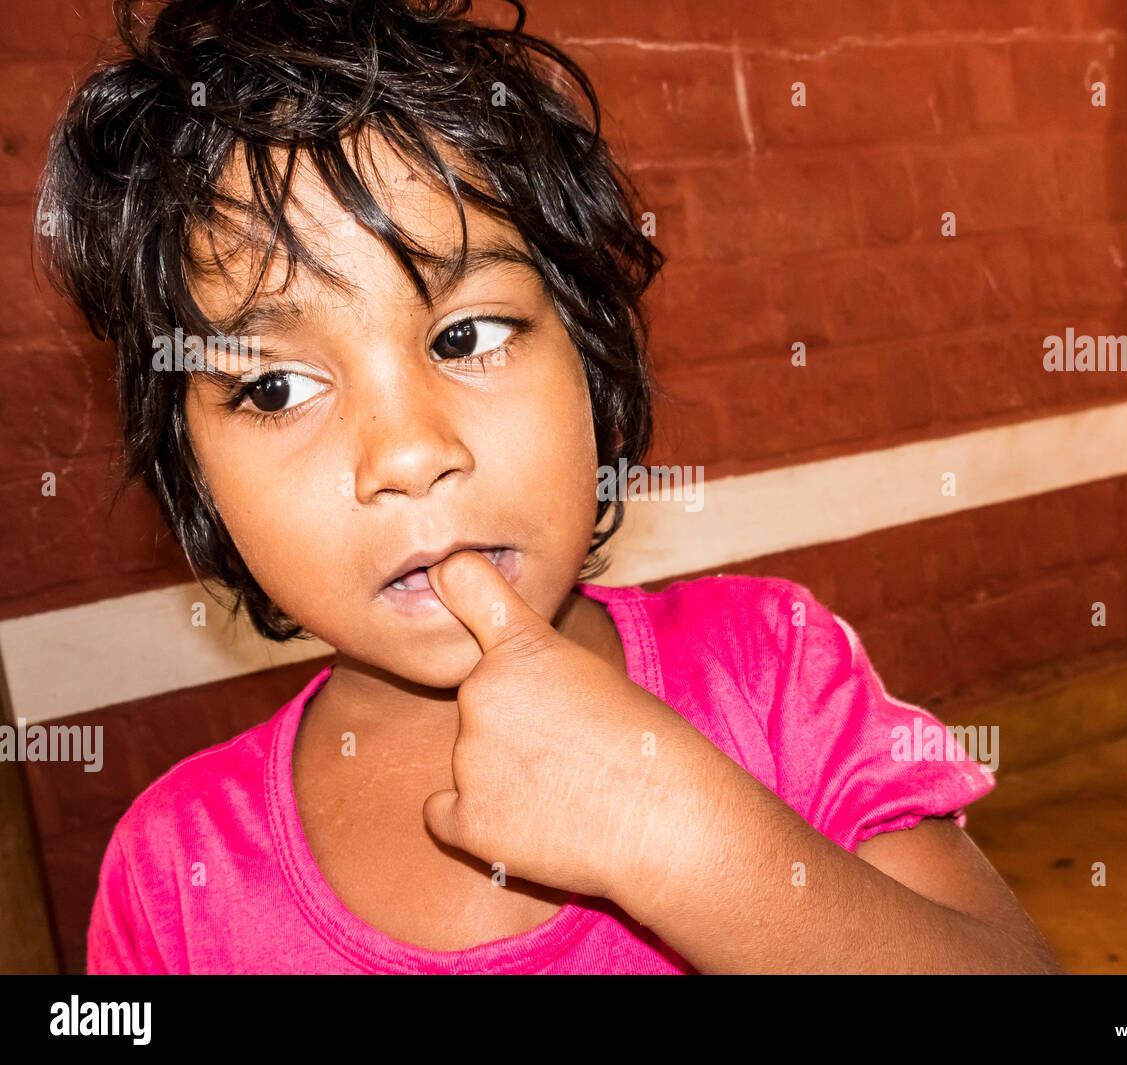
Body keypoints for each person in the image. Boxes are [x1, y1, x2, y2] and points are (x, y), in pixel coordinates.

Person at [37, 0, 1061, 974]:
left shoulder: (772, 679)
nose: (407, 452)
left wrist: (681, 837)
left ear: (590, 359)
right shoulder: (172, 871)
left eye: (467, 337)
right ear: (195, 475)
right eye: (274, 387)